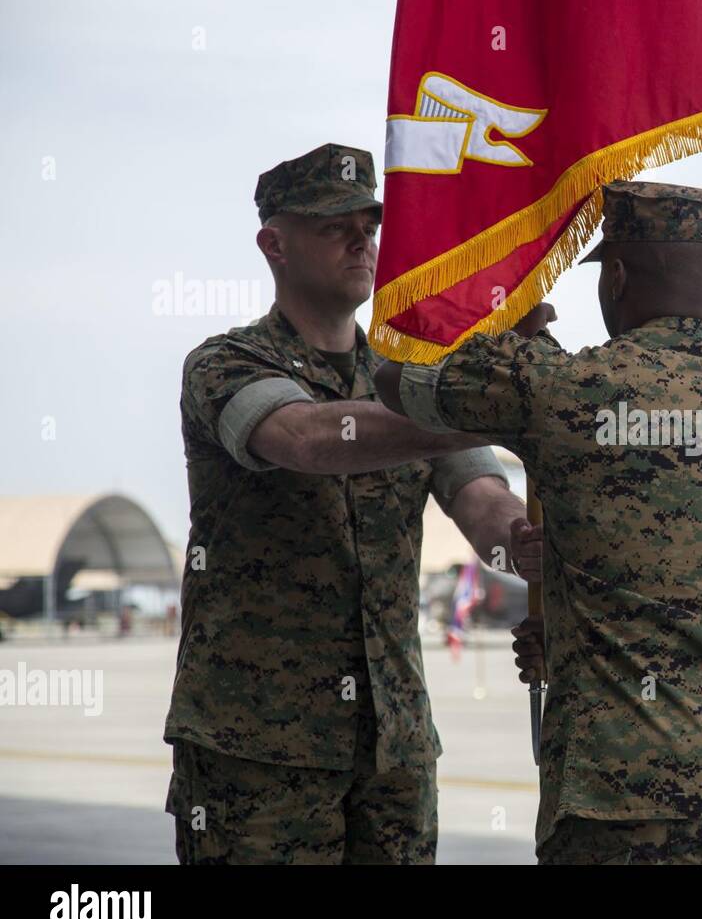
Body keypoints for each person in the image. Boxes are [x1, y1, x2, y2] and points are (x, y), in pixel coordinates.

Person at [376, 180, 702, 864]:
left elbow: (399, 374)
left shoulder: (560, 387)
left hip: (633, 795)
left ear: (617, 275)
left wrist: (508, 325)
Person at [164, 143, 541, 864]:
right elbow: (308, 439)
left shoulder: (415, 384)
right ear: (273, 244)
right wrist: (499, 408)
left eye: (370, 225)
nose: (362, 241)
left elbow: (483, 501)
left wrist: (522, 544)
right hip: (259, 749)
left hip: (392, 747)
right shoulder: (227, 363)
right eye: (336, 225)